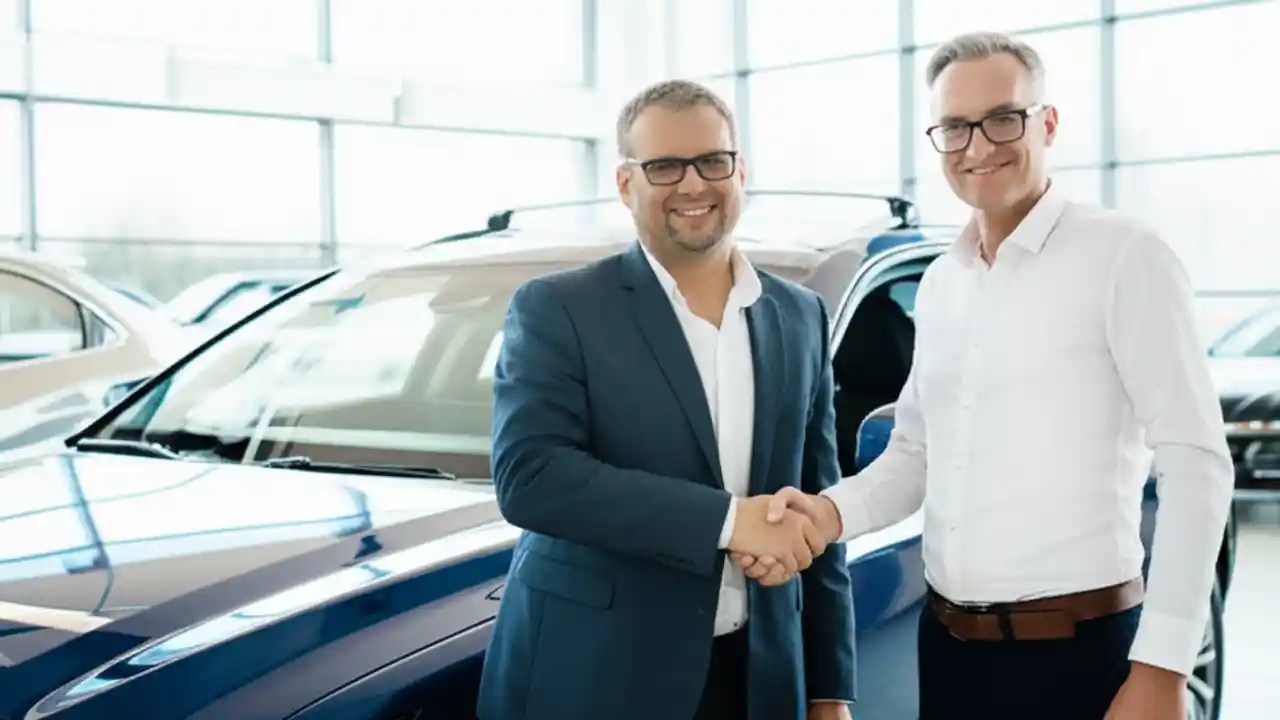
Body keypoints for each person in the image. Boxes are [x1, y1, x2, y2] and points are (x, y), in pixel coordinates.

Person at [735, 31, 1233, 719]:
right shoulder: (944, 283)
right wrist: (826, 513)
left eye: (1004, 118)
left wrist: (1163, 667)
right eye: (955, 128)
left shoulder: (1124, 254)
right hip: (949, 651)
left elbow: (1197, 461)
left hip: (1079, 655)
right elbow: (913, 454)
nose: (978, 146)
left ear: (1047, 122)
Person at [476, 80, 856, 720]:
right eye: (664, 167)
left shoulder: (800, 317)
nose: (693, 185)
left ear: (742, 171)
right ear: (627, 184)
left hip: (759, 678)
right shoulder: (561, 309)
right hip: (597, 677)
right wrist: (731, 521)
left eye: (713, 161)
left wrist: (828, 688)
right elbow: (531, 478)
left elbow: (814, 501)